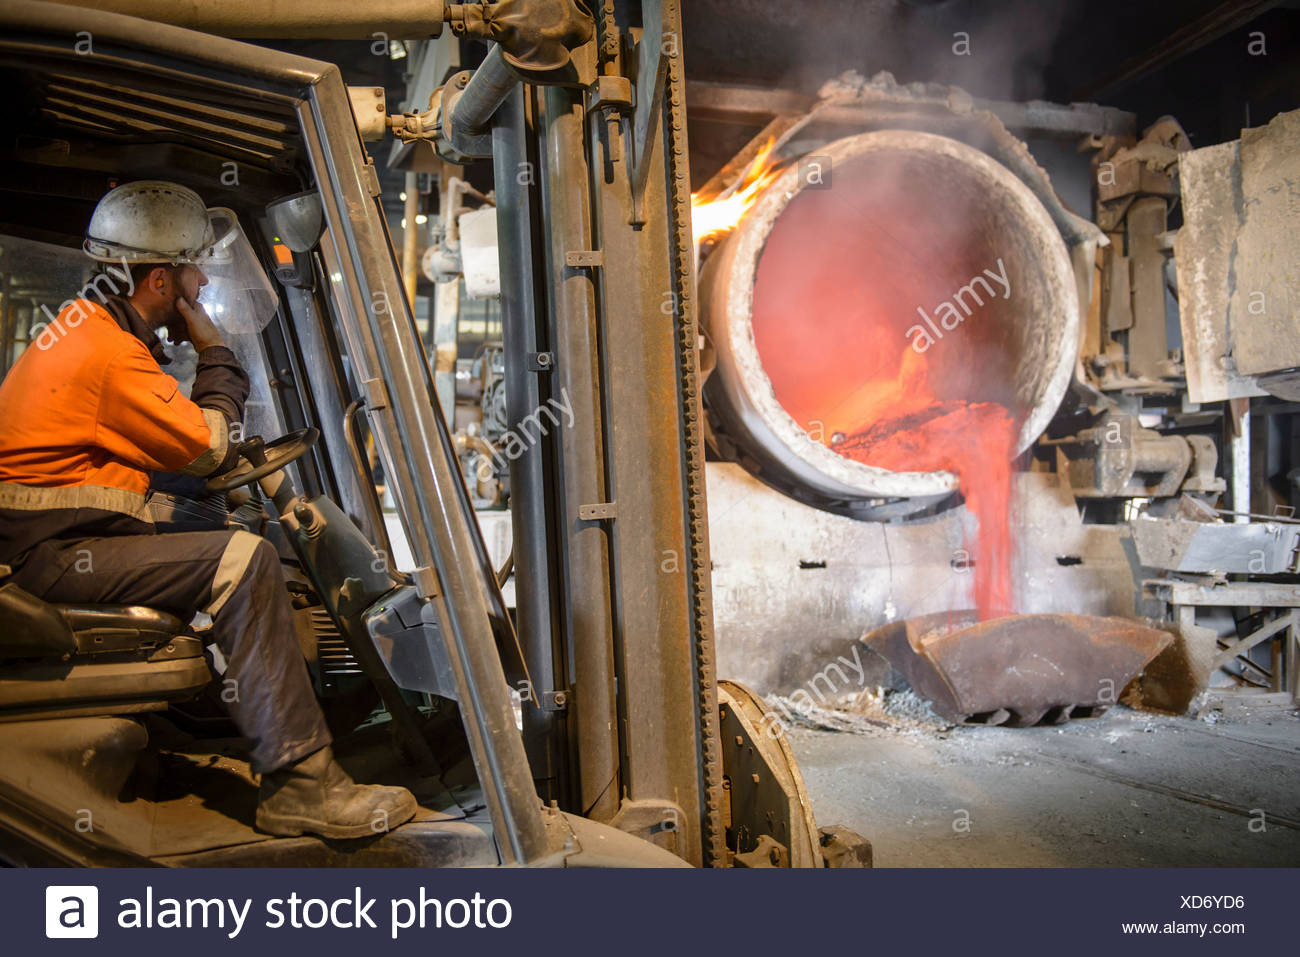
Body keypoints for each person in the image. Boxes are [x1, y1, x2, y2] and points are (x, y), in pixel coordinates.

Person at [0, 181, 416, 840]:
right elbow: (209, 443)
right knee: (243, 558)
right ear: (160, 278)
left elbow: (183, 453)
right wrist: (215, 348)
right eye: (194, 268)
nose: (200, 284)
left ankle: (219, 716)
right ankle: (302, 784)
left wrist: (204, 477)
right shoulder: (108, 352)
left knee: (213, 518)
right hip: (48, 557)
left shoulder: (94, 334)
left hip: (51, 537)